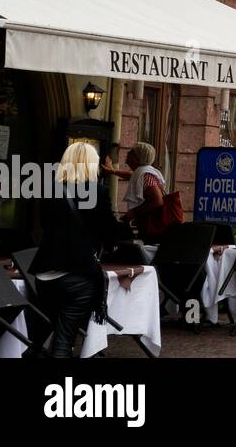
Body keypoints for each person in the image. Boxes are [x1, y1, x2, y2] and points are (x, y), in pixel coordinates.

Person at [31, 142, 132, 357]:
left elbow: (45, 225)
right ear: (91, 164)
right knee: (64, 339)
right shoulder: (98, 191)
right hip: (77, 275)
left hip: (44, 274)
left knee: (54, 331)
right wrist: (126, 229)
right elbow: (109, 231)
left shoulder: (50, 190)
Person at [103, 142, 168, 242]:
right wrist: (112, 171)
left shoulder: (145, 176)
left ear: (138, 158)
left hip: (153, 229)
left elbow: (158, 202)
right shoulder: (142, 172)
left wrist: (133, 213)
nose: (128, 153)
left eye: (132, 152)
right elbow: (130, 175)